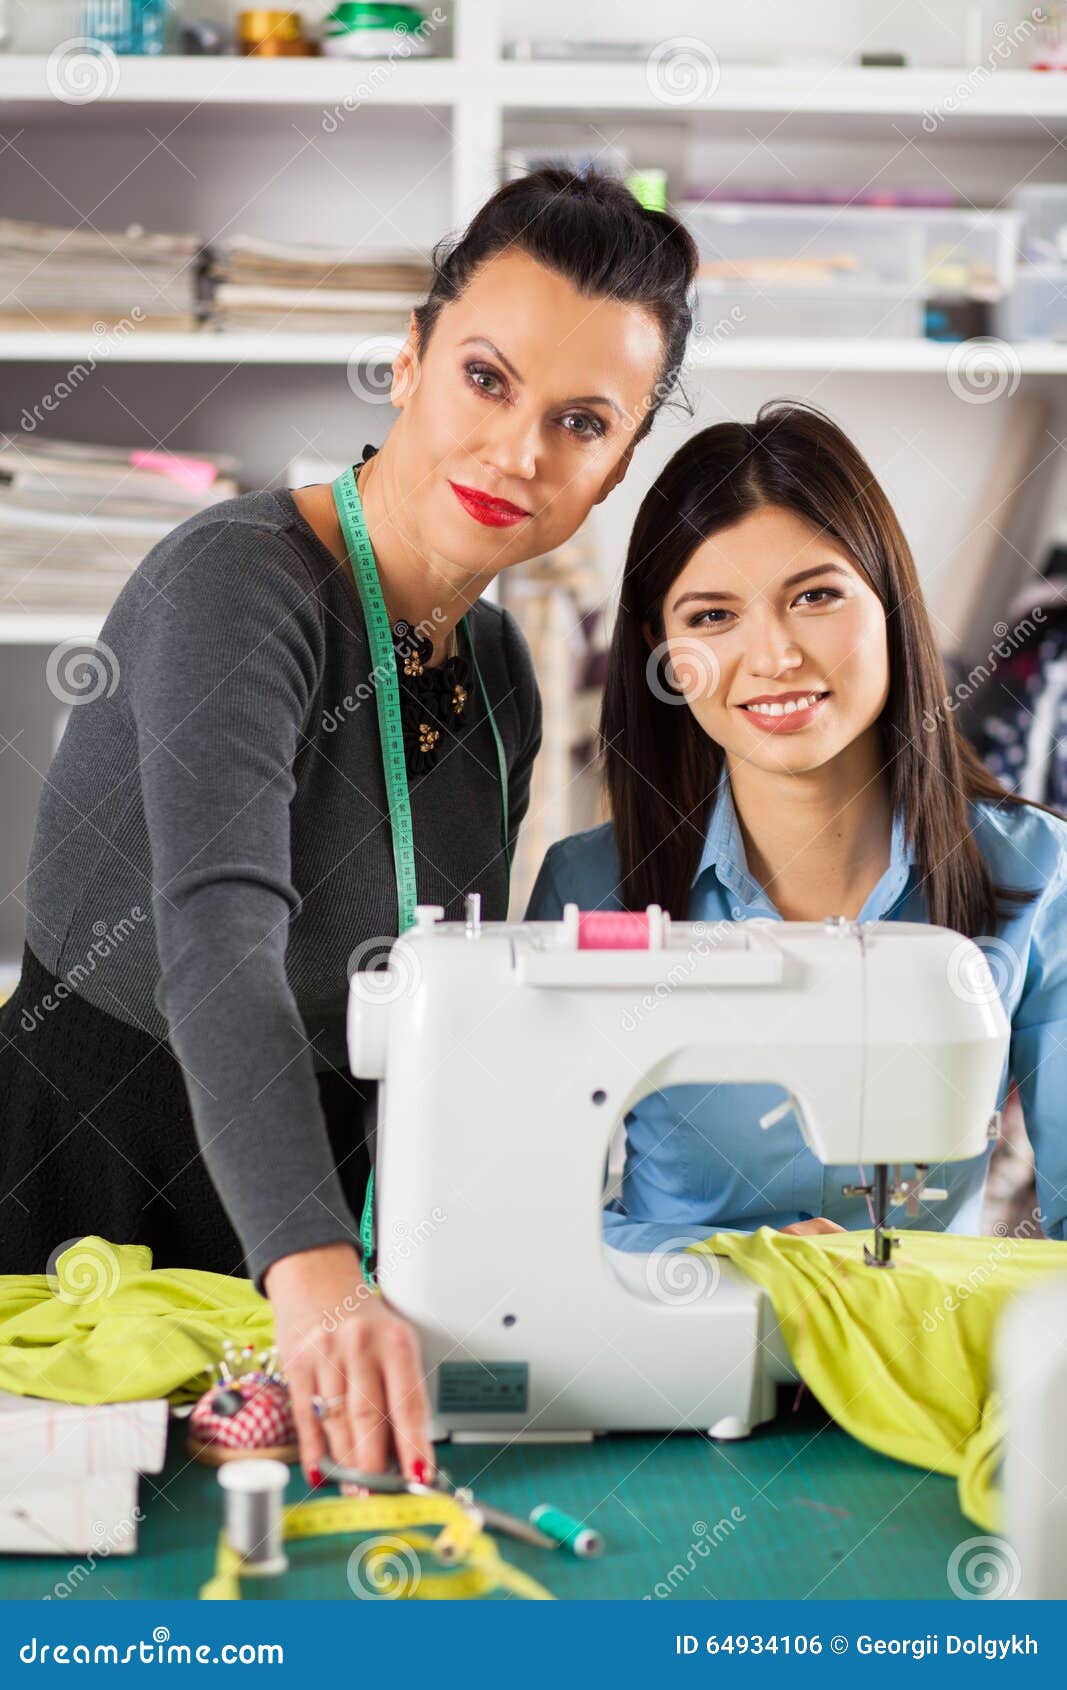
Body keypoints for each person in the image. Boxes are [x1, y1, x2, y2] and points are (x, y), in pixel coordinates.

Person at [0, 167, 698, 1485]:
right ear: (408, 360)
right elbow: (216, 940)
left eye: (580, 421)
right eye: (485, 379)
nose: (516, 453)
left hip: (321, 1216)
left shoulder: (495, 670)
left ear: (613, 467)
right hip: (91, 1211)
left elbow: (446, 991)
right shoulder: (241, 581)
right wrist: (315, 1275)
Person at [526, 400, 1067, 1254]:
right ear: (659, 650)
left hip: (917, 1365)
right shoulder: (593, 890)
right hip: (669, 1360)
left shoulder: (1035, 873)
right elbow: (525, 1218)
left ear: (889, 600)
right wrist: (724, 1264)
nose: (773, 656)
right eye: (711, 616)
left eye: (814, 596)